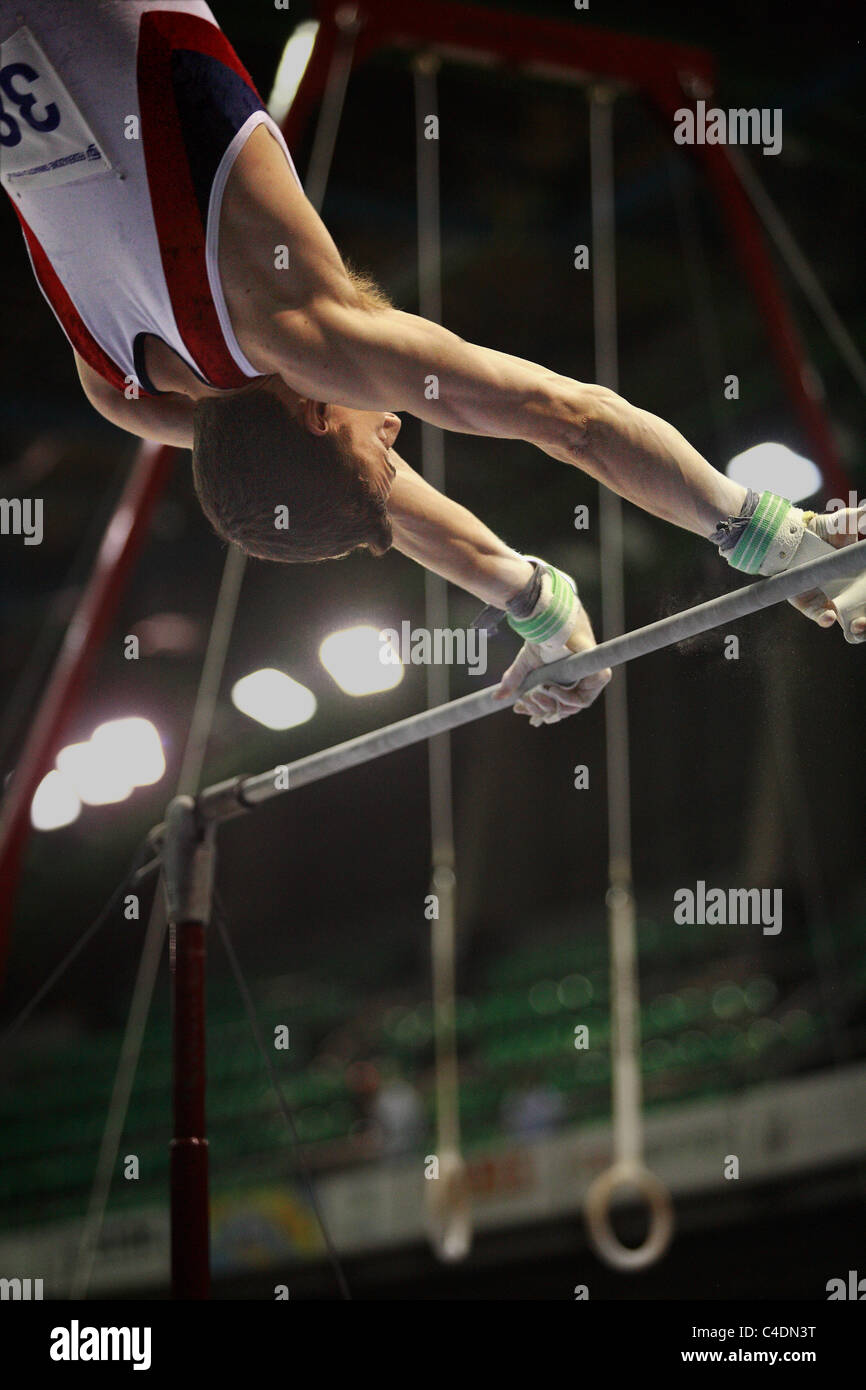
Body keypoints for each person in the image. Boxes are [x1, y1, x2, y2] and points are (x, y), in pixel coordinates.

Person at [2, 0, 863, 729]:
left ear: (315, 410)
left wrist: (767, 538)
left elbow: (574, 421)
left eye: (382, 448)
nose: (397, 429)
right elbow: (354, 488)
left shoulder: (313, 334)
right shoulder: (122, 387)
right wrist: (539, 604)